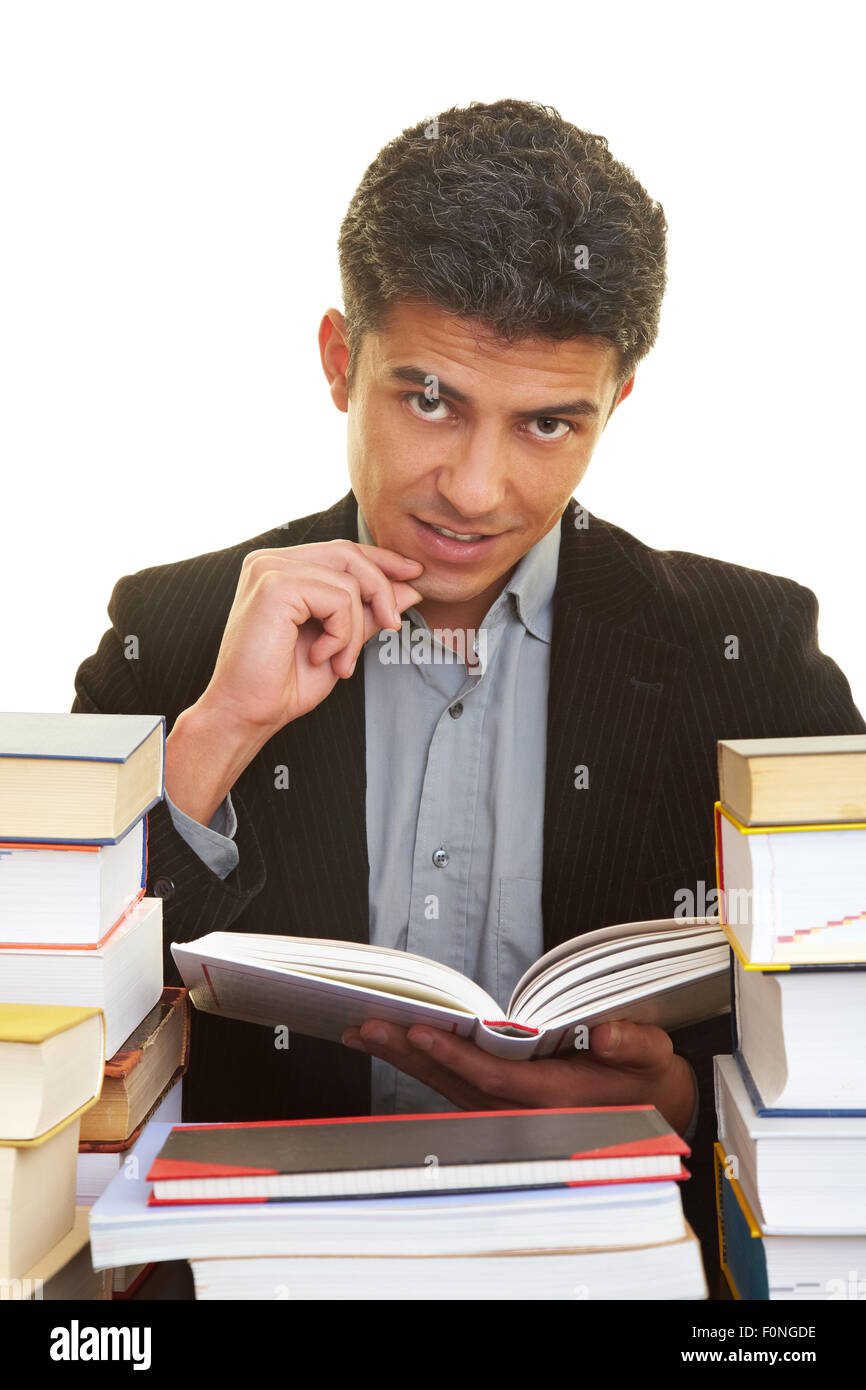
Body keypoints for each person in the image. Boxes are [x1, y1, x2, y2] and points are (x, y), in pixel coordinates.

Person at [73, 98, 865, 1277]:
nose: (477, 489)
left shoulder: (745, 647)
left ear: (617, 404)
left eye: (547, 422)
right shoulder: (175, 630)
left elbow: (842, 1026)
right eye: (429, 398)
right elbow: (46, 1026)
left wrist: (689, 1105)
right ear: (341, 359)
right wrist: (217, 732)